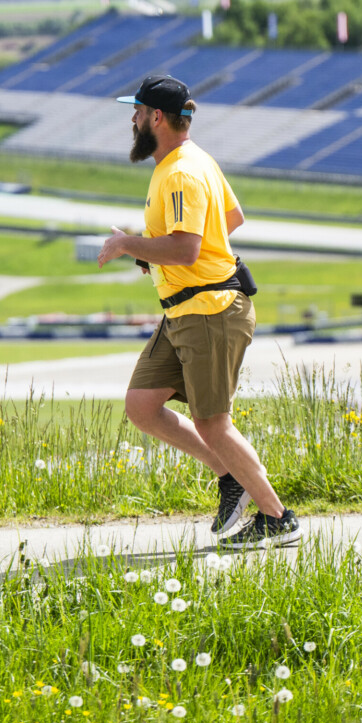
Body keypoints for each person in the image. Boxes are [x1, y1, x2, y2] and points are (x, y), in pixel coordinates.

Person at [97, 74, 299, 549]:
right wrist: (155, 254)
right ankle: (229, 475)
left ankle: (276, 516)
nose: (132, 119)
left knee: (213, 422)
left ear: (157, 118)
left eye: (138, 111)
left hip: (209, 310)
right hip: (185, 309)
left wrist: (130, 244)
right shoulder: (188, 161)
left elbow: (188, 248)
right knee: (142, 406)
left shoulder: (182, 172)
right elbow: (230, 220)